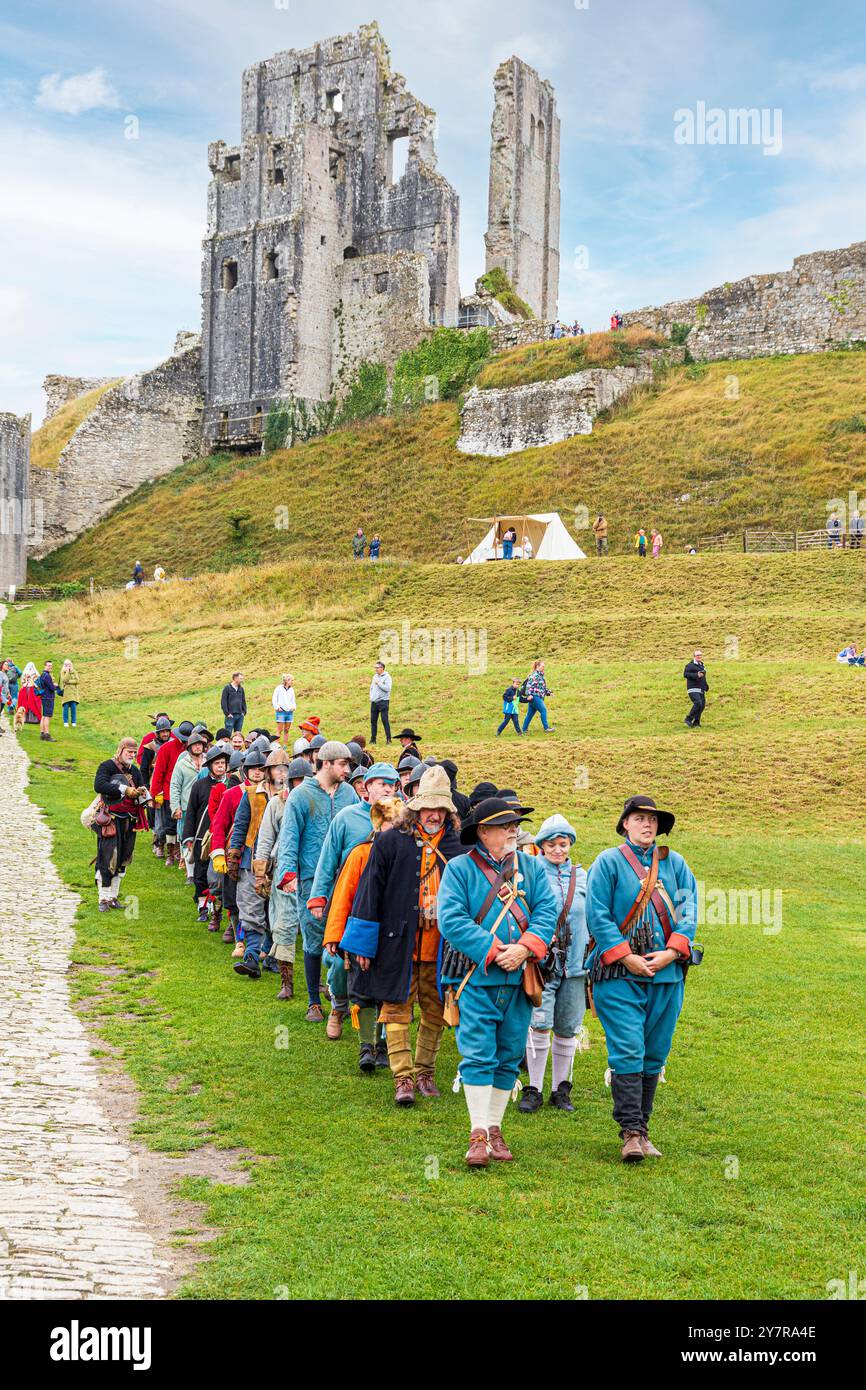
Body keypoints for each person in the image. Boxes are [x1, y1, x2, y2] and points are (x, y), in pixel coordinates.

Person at [437, 796, 557, 1167]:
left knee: (507, 1057)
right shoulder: (460, 869)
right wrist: (492, 950)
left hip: (520, 977)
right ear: (483, 832)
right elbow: (452, 920)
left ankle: (494, 1128)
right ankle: (477, 1133)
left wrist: (524, 949)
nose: (512, 830)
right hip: (476, 979)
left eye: (514, 825)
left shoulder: (533, 869)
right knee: (477, 1055)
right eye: (505, 825)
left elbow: (547, 912)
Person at [341, 765, 464, 1105]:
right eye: (428, 808)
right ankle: (403, 1078)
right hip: (398, 944)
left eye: (441, 809)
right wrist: (364, 944)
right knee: (395, 1010)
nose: (434, 815)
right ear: (416, 807)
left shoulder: (456, 847)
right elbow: (369, 892)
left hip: (441, 947)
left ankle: (425, 1072)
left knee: (436, 1010)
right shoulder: (391, 841)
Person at [584, 795, 698, 1161]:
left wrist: (672, 950)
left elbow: (689, 910)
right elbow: (597, 914)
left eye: (652, 820)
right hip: (618, 973)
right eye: (639, 818)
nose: (647, 825)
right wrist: (626, 956)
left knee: (654, 1053)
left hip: (666, 975)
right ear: (625, 825)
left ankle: (643, 1131)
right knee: (629, 1048)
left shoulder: (676, 864)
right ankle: (630, 1133)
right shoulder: (608, 862)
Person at [309, 761, 400, 1037]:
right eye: (382, 783)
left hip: (387, 909)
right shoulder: (347, 818)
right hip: (350, 905)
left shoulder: (402, 819)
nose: (388, 788)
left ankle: (381, 1031)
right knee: (337, 962)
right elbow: (327, 859)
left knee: (384, 964)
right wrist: (318, 897)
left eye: (392, 784)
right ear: (366, 787)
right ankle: (338, 1007)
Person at [275, 741, 358, 1020]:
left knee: (344, 937)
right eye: (342, 764)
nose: (347, 769)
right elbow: (289, 838)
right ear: (326, 764)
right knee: (313, 938)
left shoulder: (350, 795)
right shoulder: (300, 796)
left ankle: (341, 998)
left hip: (346, 878)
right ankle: (313, 1001)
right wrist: (288, 874)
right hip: (311, 879)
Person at [322, 797, 404, 1071]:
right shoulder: (360, 853)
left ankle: (383, 1046)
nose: (392, 828)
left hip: (394, 936)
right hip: (362, 932)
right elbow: (343, 894)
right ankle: (366, 1046)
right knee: (364, 992)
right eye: (389, 823)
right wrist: (334, 933)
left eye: (397, 823)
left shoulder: (408, 853)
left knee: (388, 994)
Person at [518, 815, 588, 1114]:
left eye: (563, 844)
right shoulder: (532, 873)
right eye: (551, 844)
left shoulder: (583, 877)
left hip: (575, 963)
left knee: (568, 1027)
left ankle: (562, 1089)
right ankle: (534, 1087)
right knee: (539, 1023)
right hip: (541, 962)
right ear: (541, 846)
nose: (558, 850)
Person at [227, 748, 272, 978]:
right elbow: (240, 824)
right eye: (254, 768)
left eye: (263, 768)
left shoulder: (290, 794)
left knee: (276, 910)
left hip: (280, 859)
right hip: (251, 858)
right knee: (250, 908)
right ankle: (252, 956)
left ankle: (272, 953)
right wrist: (234, 855)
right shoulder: (251, 794)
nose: (259, 772)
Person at [92, 737, 150, 911]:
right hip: (111, 819)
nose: (132, 755)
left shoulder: (135, 771)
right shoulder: (107, 766)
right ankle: (103, 899)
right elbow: (99, 785)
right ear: (120, 750)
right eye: (129, 751)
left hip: (129, 819)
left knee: (124, 858)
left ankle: (113, 896)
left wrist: (146, 795)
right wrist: (125, 789)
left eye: (134, 752)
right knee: (108, 857)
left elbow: (141, 788)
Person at [182, 743, 229, 928]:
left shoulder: (231, 785)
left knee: (218, 876)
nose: (220, 766)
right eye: (217, 763)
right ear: (210, 765)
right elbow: (191, 813)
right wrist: (188, 838)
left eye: (223, 763)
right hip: (203, 836)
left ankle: (217, 908)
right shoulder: (199, 786)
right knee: (201, 873)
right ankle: (203, 907)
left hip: (223, 837)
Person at [521, 659, 554, 734]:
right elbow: (528, 686)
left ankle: (524, 729)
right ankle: (546, 728)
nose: (544, 667)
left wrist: (549, 692)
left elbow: (542, 688)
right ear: (538, 666)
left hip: (537, 697)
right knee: (543, 710)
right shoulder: (535, 675)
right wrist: (529, 695)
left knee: (530, 714)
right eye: (543, 666)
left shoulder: (540, 675)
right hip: (535, 697)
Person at [683, 649, 708, 728]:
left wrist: (706, 685)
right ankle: (688, 719)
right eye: (697, 655)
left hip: (701, 689)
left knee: (702, 706)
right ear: (694, 656)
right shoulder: (689, 665)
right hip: (692, 688)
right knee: (698, 703)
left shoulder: (702, 665)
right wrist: (696, 675)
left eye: (700, 655)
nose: (699, 656)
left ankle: (696, 723)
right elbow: (685, 674)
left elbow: (703, 677)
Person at [369, 660, 392, 745]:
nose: (375, 669)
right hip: (374, 702)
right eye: (375, 668)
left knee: (384, 720)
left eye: (377, 668)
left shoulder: (387, 677)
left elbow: (388, 688)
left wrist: (379, 683)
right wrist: (371, 697)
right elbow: (372, 687)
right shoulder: (375, 676)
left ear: (382, 668)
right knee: (373, 721)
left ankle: (388, 739)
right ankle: (373, 739)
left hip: (383, 702)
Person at [272, 674, 296, 746]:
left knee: (286, 730)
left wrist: (293, 707)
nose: (292, 682)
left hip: (289, 712)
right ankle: (277, 746)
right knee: (279, 730)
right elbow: (274, 699)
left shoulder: (291, 690)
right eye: (291, 680)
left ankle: (285, 746)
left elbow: (293, 700)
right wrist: (276, 707)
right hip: (281, 712)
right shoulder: (278, 688)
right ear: (286, 680)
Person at [15, 663, 41, 729]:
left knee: (32, 704)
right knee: (25, 704)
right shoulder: (25, 674)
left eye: (31, 667)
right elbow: (23, 682)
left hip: (32, 690)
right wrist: (26, 682)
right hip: (26, 690)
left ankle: (33, 719)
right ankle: (25, 718)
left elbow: (38, 683)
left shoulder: (36, 674)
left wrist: (32, 682)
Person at [38, 660, 58, 741]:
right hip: (48, 697)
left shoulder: (42, 674)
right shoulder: (47, 676)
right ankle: (47, 734)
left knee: (43, 715)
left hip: (43, 697)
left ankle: (42, 734)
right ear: (45, 666)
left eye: (51, 666)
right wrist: (56, 685)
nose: (50, 667)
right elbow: (52, 688)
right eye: (49, 665)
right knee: (47, 716)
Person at [59, 659, 80, 729]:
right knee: (66, 708)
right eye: (66, 665)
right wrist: (68, 671)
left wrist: (69, 682)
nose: (68, 666)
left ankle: (74, 722)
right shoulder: (63, 672)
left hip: (73, 693)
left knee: (73, 708)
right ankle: (66, 722)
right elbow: (64, 680)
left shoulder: (74, 672)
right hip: (66, 693)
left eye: (69, 664)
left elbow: (77, 681)